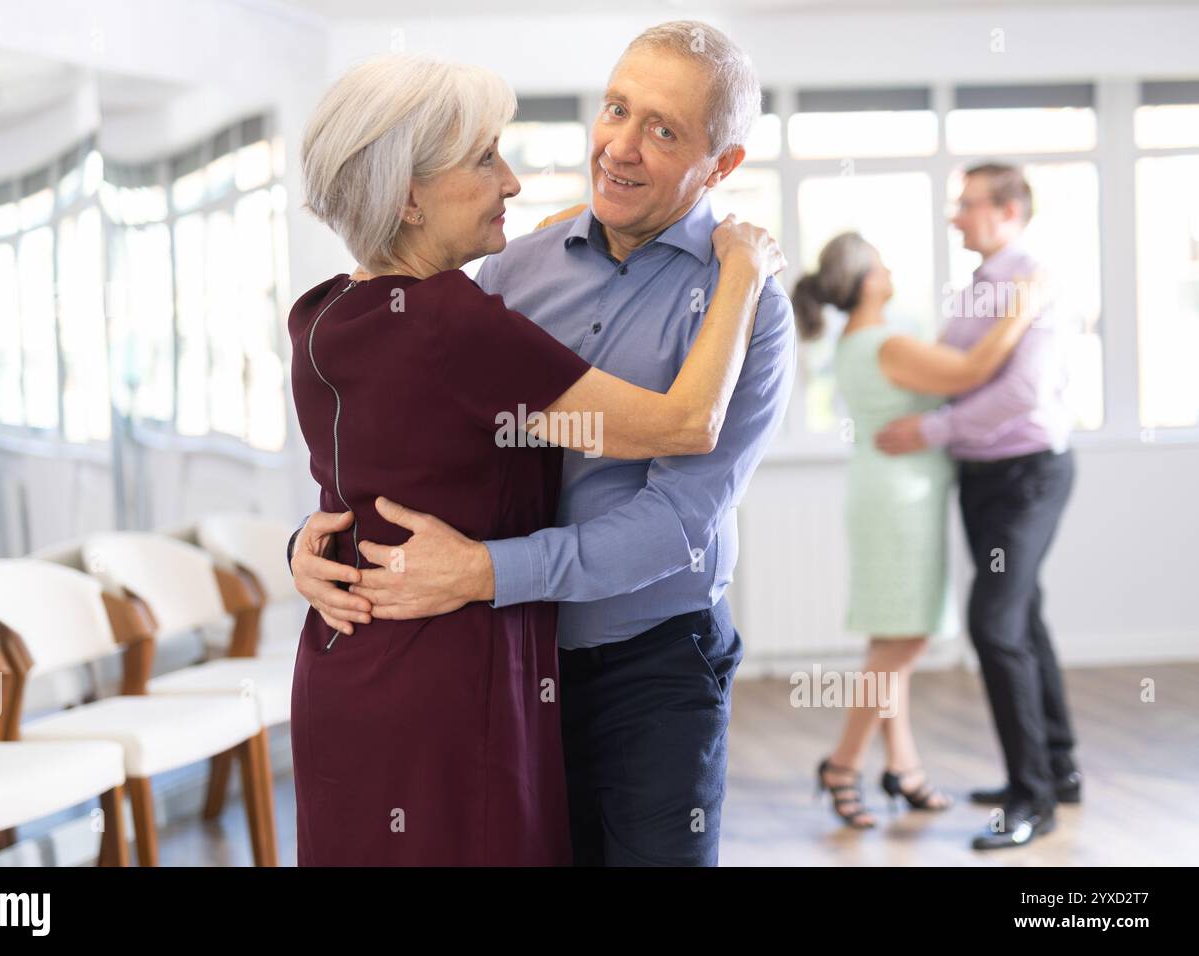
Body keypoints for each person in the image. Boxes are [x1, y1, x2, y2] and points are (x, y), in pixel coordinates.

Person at [290, 20, 797, 866]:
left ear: (723, 166)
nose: (620, 147)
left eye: (663, 130)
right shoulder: (506, 274)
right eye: (615, 110)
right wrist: (314, 545)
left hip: (649, 670)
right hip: (506, 667)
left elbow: (678, 520)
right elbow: (404, 439)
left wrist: (489, 572)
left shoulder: (748, 311)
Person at [793, 232, 1036, 829]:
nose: (890, 267)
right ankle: (842, 766)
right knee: (906, 642)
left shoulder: (859, 340)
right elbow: (974, 370)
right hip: (900, 500)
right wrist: (1021, 310)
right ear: (868, 281)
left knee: (890, 639)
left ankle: (903, 767)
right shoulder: (886, 342)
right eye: (881, 261)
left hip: (887, 492)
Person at [876, 163, 1080, 850]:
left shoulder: (1031, 284)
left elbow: (1021, 393)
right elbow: (951, 370)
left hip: (1028, 475)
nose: (955, 217)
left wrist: (928, 430)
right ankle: (1059, 766)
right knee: (1023, 615)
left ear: (1010, 210)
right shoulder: (981, 288)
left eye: (967, 205)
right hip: (985, 476)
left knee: (993, 625)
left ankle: (1034, 799)